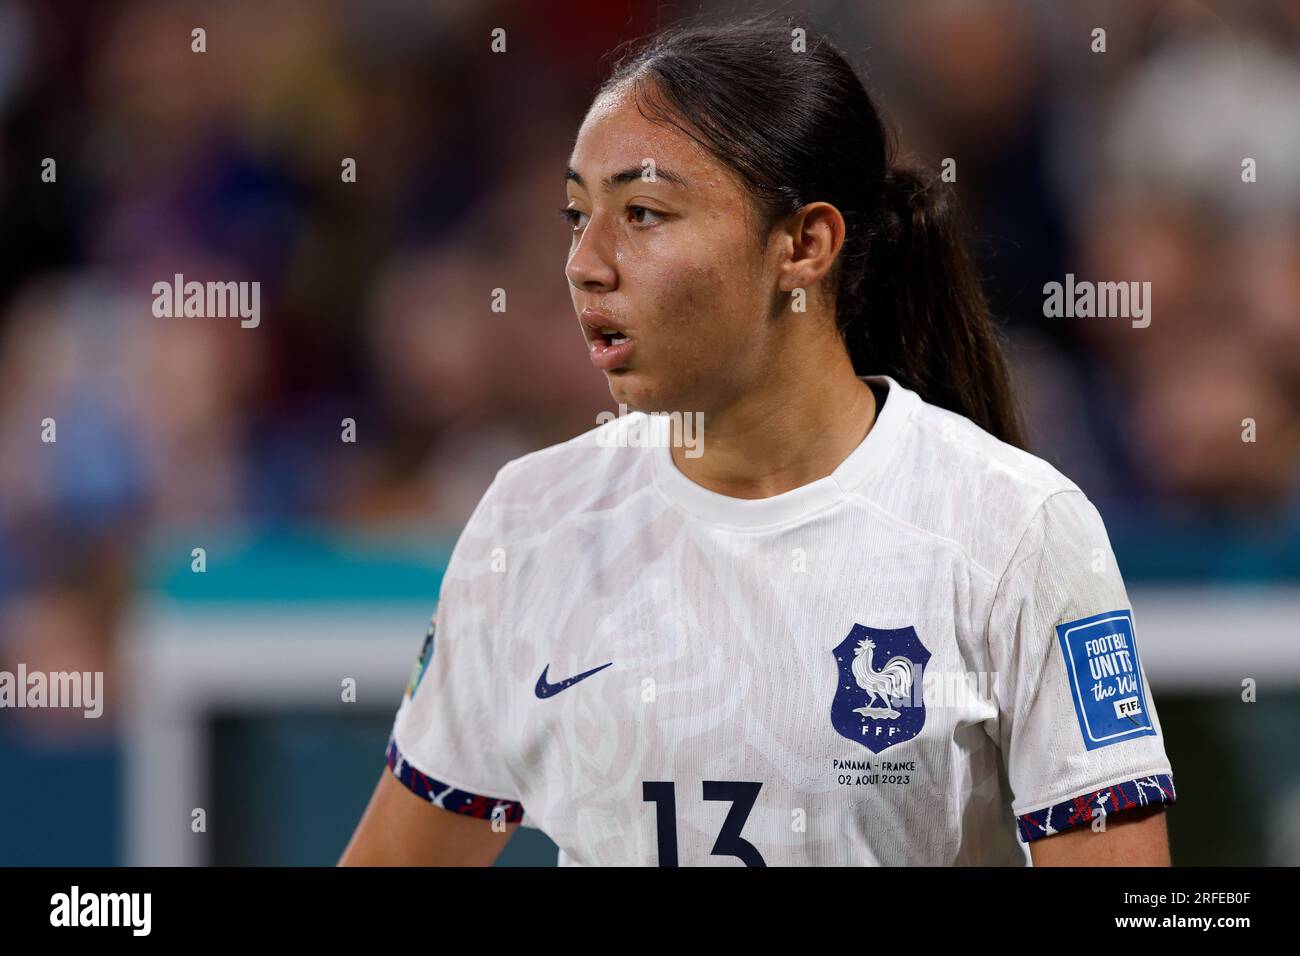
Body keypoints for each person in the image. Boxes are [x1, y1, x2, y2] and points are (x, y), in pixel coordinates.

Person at [341, 13, 1175, 866]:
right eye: (576, 214)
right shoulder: (531, 520)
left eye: (643, 212)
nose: (585, 262)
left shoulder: (1015, 526)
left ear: (805, 244)